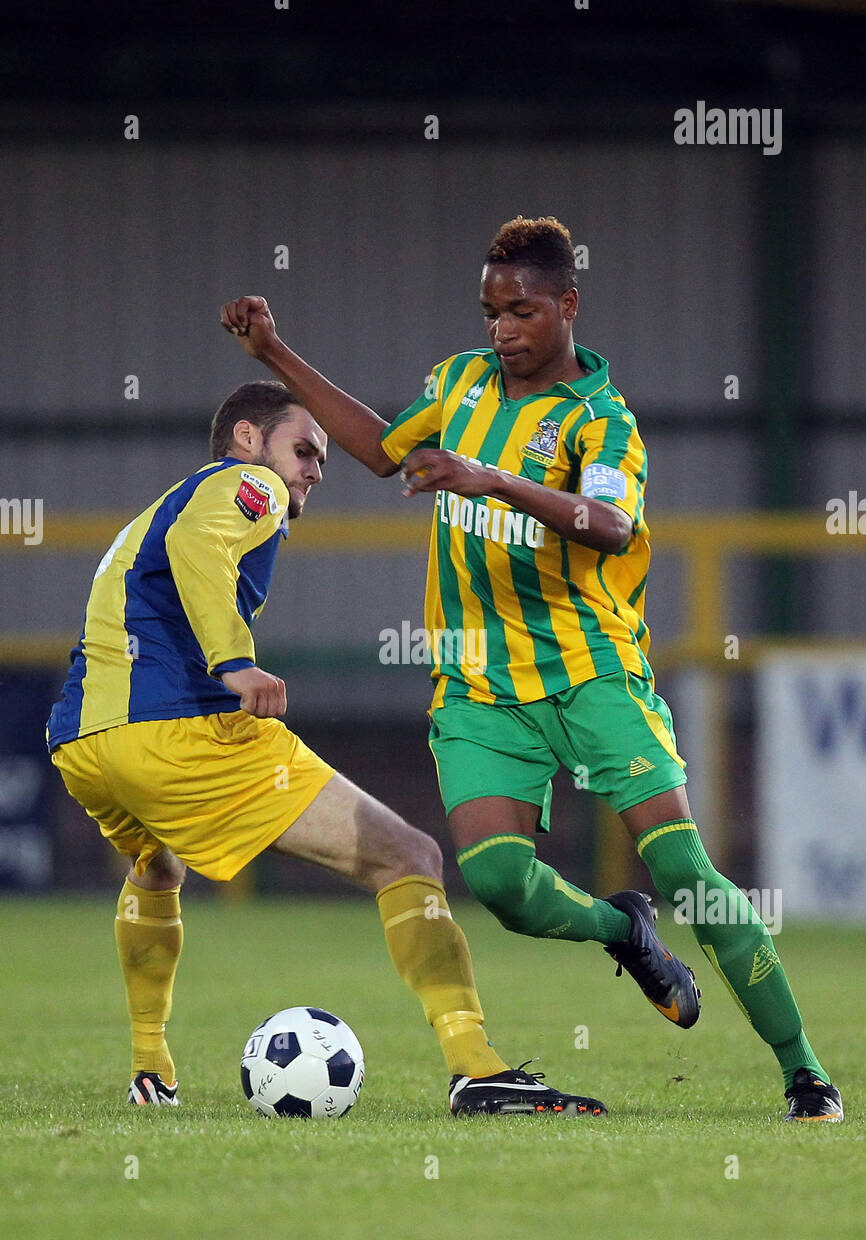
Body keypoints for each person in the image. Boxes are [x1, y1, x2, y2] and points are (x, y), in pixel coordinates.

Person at [219, 214, 843, 1122]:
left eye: (519, 311)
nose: (501, 330)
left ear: (567, 305)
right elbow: (383, 443)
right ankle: (621, 932)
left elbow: (612, 526)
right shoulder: (461, 382)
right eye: (489, 312)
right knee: (504, 886)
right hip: (478, 685)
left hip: (593, 675)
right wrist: (277, 353)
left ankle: (804, 1071)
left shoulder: (604, 422)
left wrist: (495, 480)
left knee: (687, 873)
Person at [46, 379, 615, 1116]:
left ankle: (150, 1066)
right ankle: (476, 1067)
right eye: (305, 449)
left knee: (156, 866)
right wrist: (233, 661)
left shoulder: (167, 502)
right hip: (174, 733)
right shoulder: (248, 485)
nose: (317, 467)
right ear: (249, 439)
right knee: (409, 857)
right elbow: (198, 548)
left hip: (84, 743)